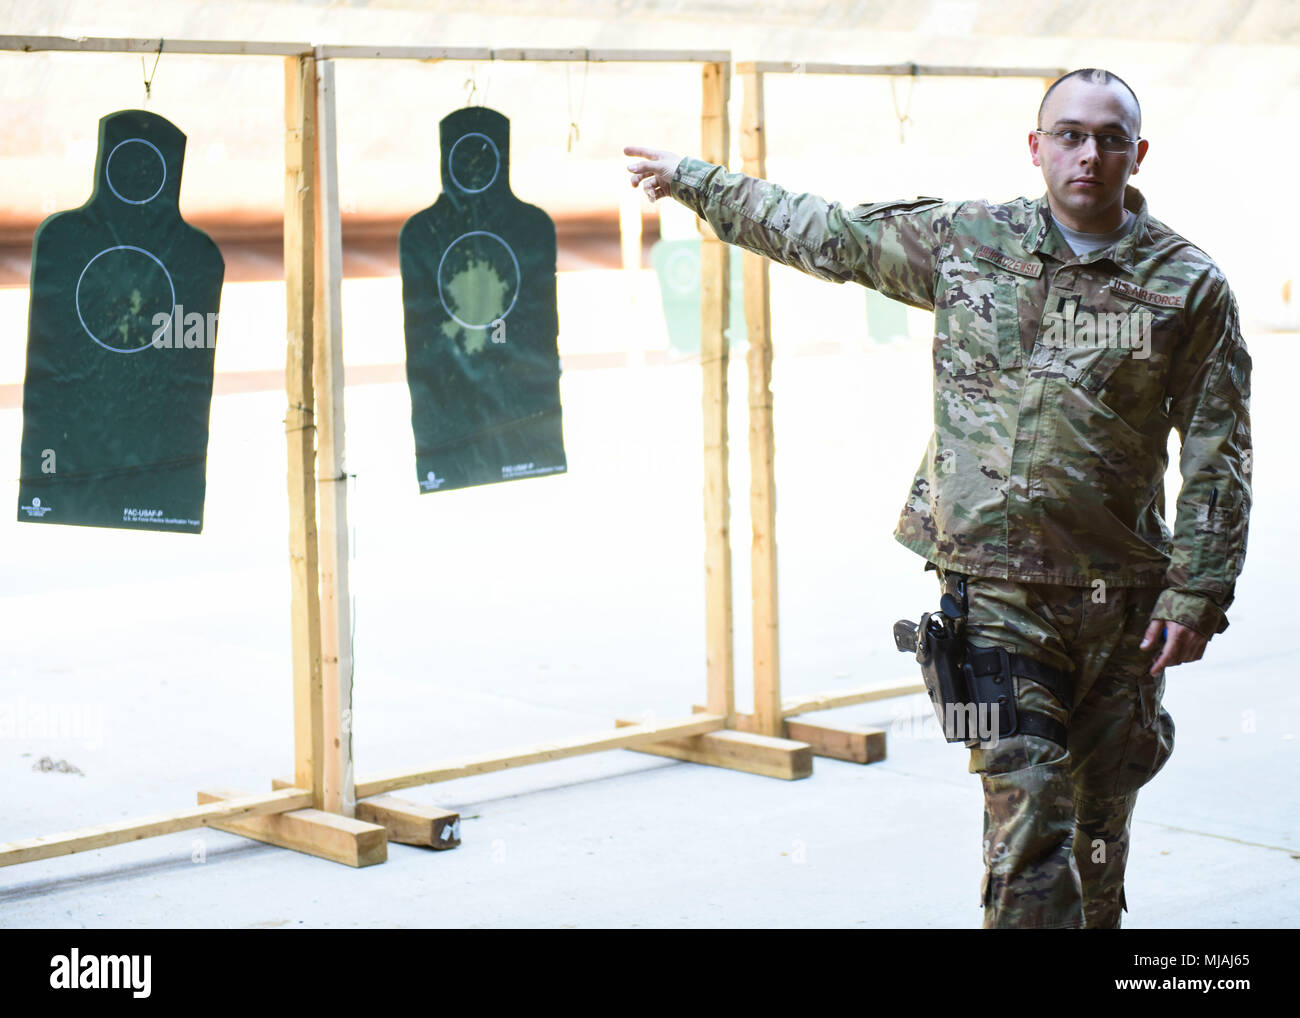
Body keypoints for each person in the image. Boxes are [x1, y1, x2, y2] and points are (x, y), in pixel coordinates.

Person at [624, 67, 1252, 929]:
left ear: (1137, 155)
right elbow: (831, 235)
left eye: (1110, 138)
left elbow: (1220, 450)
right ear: (1035, 147)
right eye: (1068, 134)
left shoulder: (1187, 286)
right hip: (991, 599)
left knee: (1098, 838)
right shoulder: (969, 242)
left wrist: (1199, 592)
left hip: (1120, 608)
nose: (1088, 154)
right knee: (1029, 819)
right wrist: (699, 180)